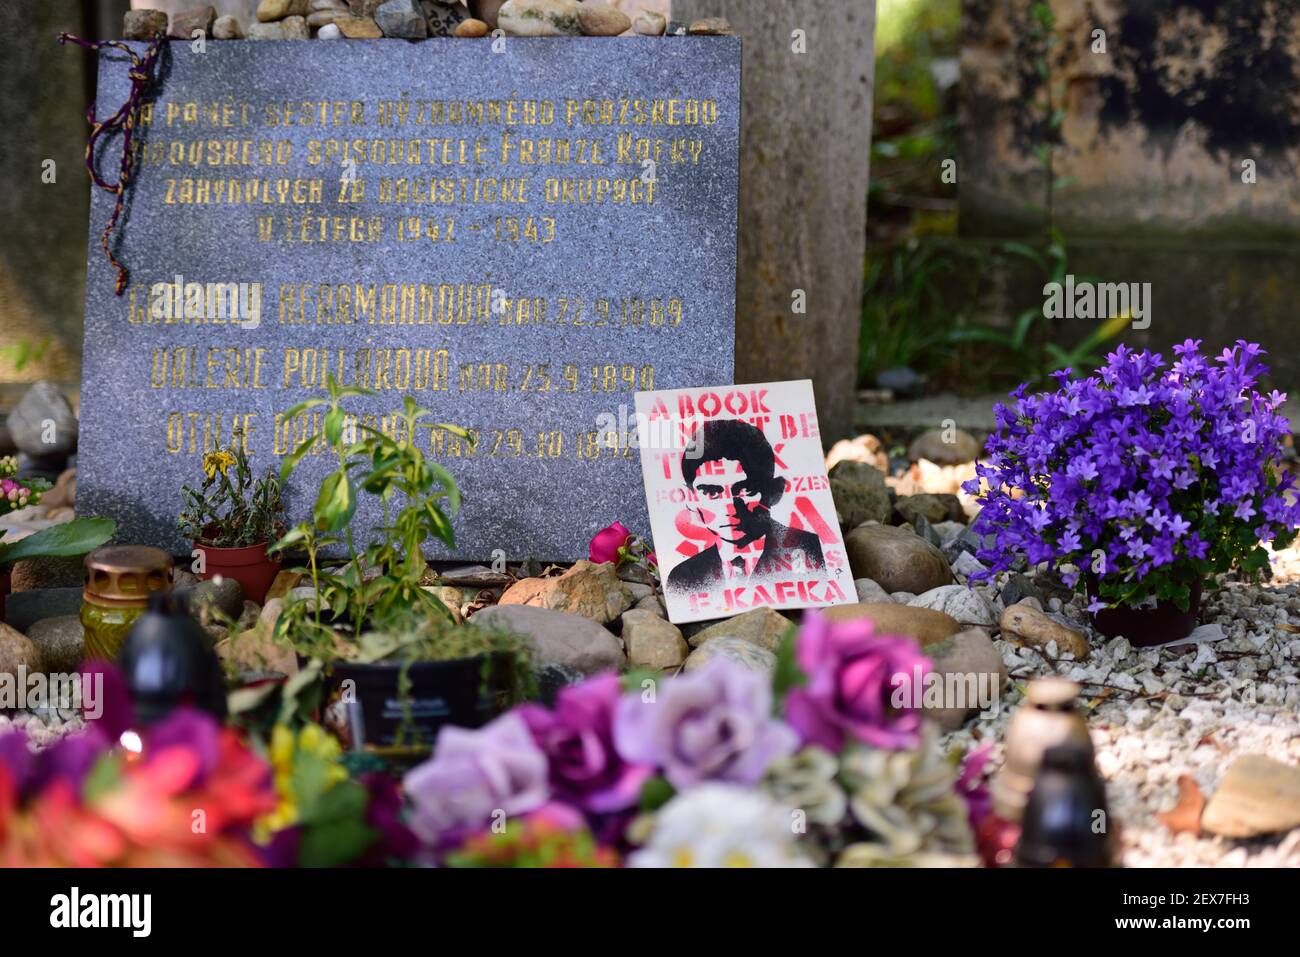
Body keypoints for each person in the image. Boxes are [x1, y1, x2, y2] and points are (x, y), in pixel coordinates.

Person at [666, 418, 824, 594]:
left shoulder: (811, 550)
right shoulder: (683, 578)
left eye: (745, 491)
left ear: (772, 492)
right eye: (712, 493)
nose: (730, 508)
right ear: (691, 498)